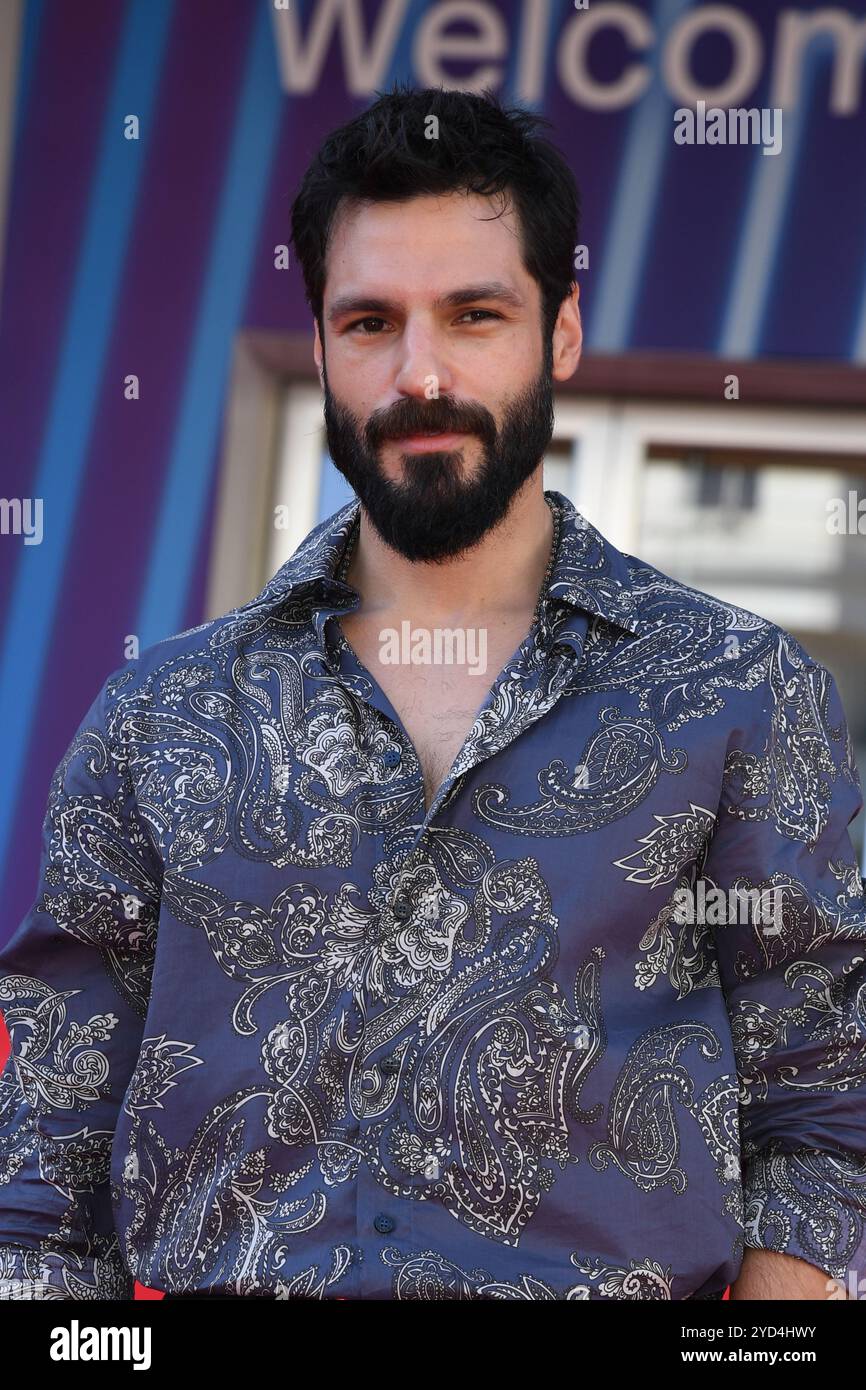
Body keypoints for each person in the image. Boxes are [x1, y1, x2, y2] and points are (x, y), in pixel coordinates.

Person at [1, 84, 864, 1301]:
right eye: (368, 323)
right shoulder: (163, 717)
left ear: (557, 332)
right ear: (316, 348)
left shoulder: (736, 692)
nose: (419, 374)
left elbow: (819, 1110)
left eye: (472, 314)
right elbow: (45, 1163)